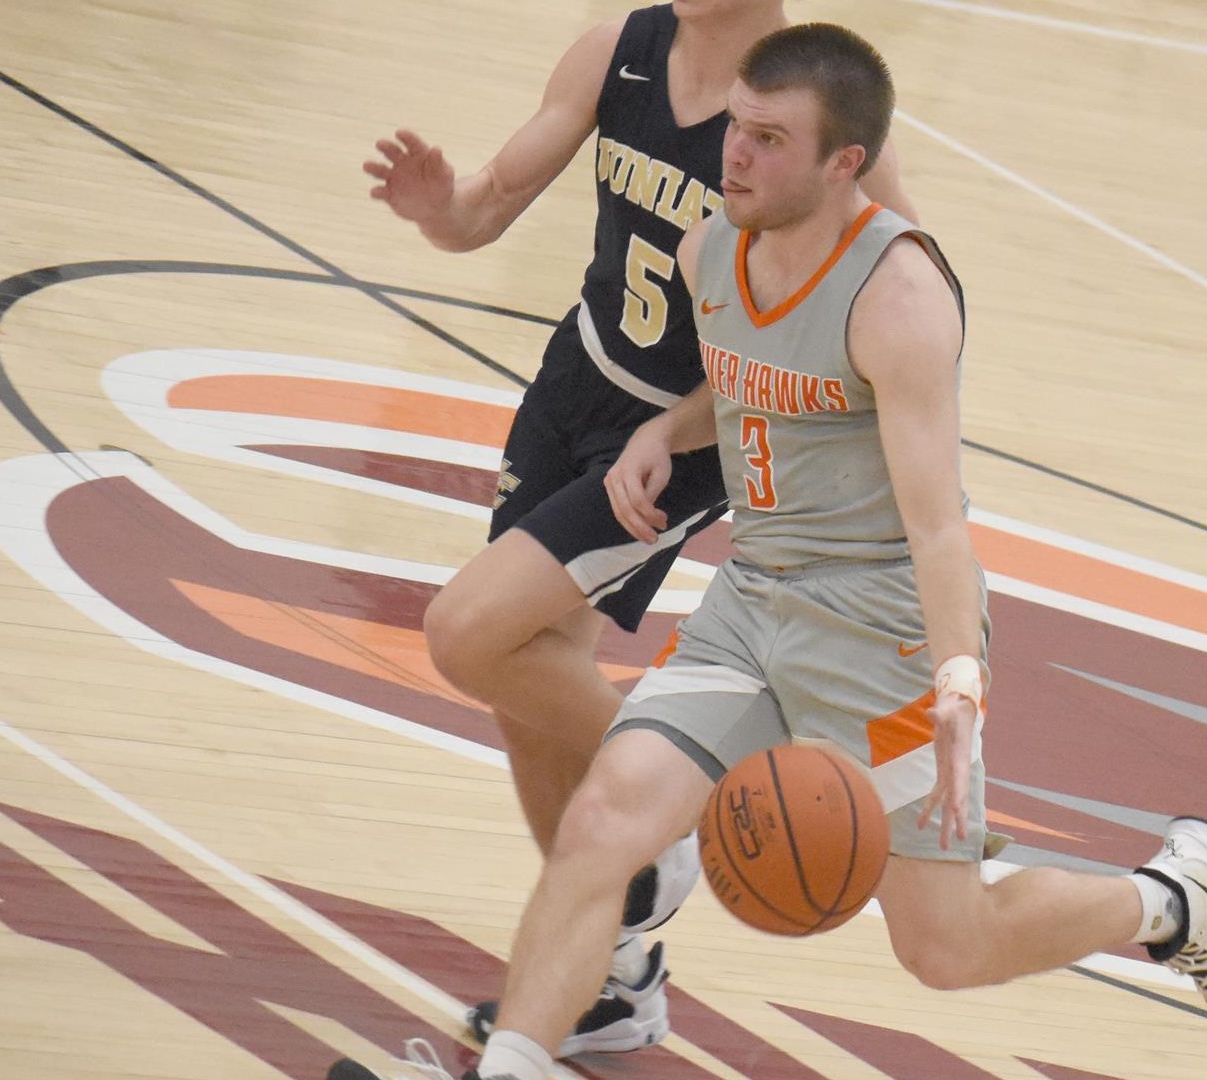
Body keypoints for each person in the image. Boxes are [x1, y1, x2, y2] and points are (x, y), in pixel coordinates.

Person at [335, 21, 1207, 1080]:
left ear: (846, 165)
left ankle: (1173, 899)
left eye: (768, 140)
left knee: (943, 945)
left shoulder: (900, 297)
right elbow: (744, 374)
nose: (733, 156)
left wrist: (959, 684)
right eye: (735, 130)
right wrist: (665, 430)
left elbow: (938, 526)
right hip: (755, 607)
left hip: (883, 640)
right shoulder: (712, 251)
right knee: (602, 819)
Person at [358, 0, 914, 1059]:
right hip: (574, 381)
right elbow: (488, 206)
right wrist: (440, 211)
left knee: (468, 632)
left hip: (683, 437)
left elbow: (874, 309)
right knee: (528, 688)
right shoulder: (622, 49)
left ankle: (683, 810)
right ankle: (617, 980)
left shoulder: (811, 106)